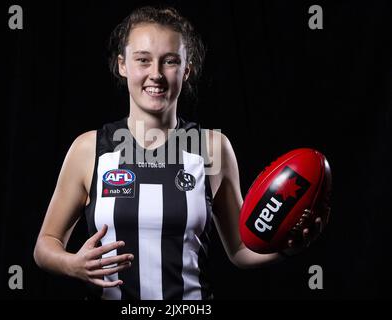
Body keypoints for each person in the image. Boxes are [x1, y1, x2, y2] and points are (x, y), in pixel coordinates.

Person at [33, 6, 328, 300]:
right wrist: (72, 264)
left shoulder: (213, 148)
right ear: (123, 65)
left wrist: (289, 248)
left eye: (170, 61)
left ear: (187, 69)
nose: (156, 74)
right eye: (143, 60)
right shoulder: (90, 149)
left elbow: (240, 250)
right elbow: (45, 245)